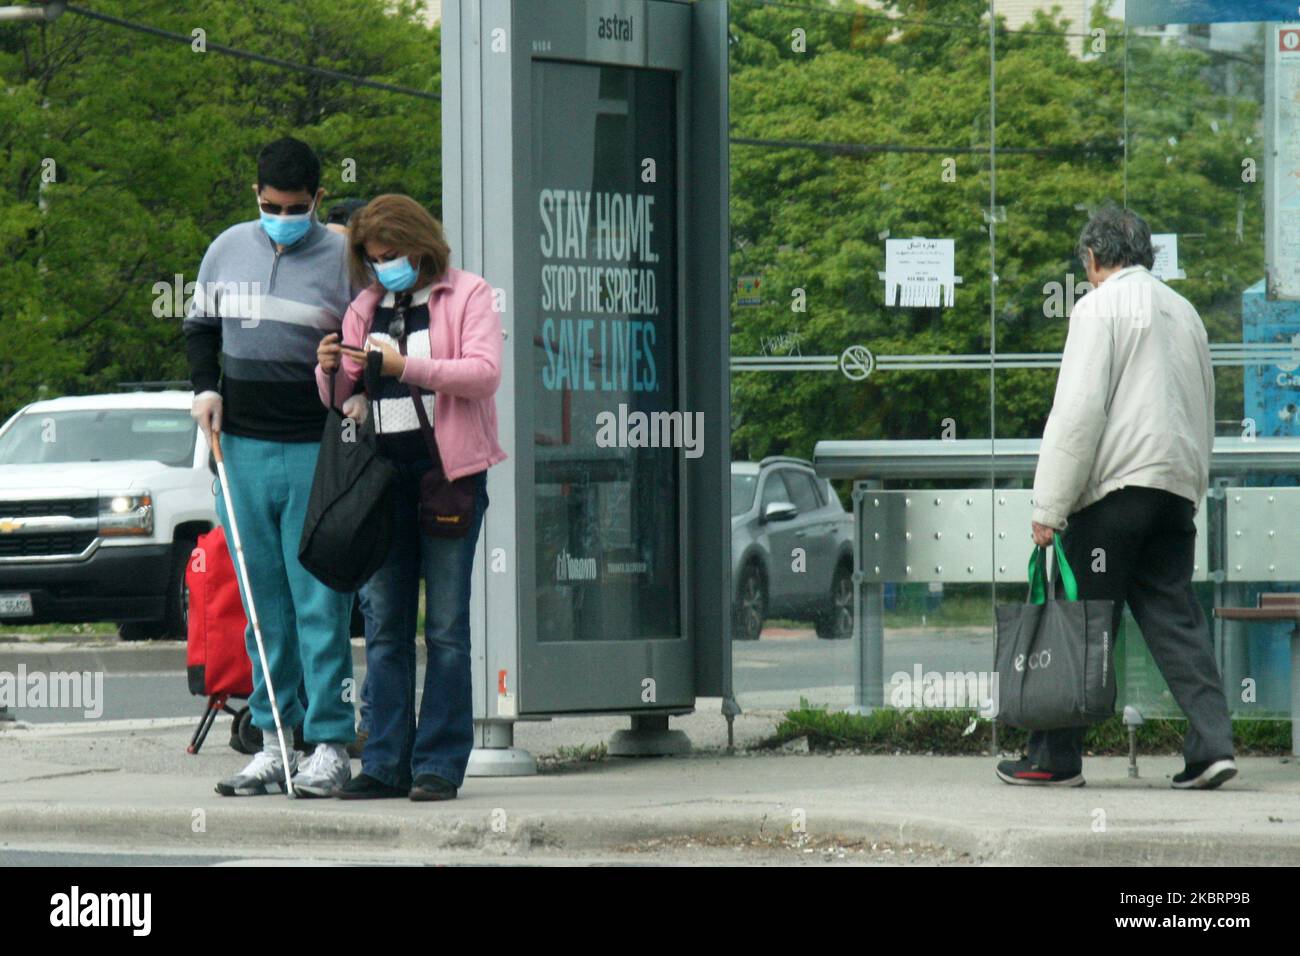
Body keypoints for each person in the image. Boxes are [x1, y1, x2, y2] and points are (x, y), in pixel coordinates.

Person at [999, 202, 1236, 790]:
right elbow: (1204, 407)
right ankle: (1213, 748)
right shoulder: (1186, 313)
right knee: (1175, 616)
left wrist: (1048, 507)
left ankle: (1054, 758)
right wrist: (1191, 488)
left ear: (1093, 258)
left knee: (1083, 619)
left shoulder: (1098, 307)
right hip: (1174, 491)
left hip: (1114, 498)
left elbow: (1078, 411)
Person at [315, 194, 506, 800]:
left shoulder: (467, 293)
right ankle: (384, 761)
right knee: (384, 626)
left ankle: (439, 763)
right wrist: (328, 369)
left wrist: (406, 367)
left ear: (419, 245)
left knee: (445, 626)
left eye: (391, 256)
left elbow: (482, 374)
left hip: (447, 473)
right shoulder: (366, 305)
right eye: (372, 260)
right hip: (381, 479)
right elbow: (341, 396)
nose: (382, 268)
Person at [186, 137, 356, 797]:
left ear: (317, 198)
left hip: (315, 448)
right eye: (268, 205)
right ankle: (272, 738)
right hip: (243, 451)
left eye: (293, 206)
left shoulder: (342, 258)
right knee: (263, 608)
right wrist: (206, 390)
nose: (280, 216)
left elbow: (371, 340)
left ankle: (331, 740)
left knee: (320, 602)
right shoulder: (228, 247)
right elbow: (201, 326)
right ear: (255, 195)